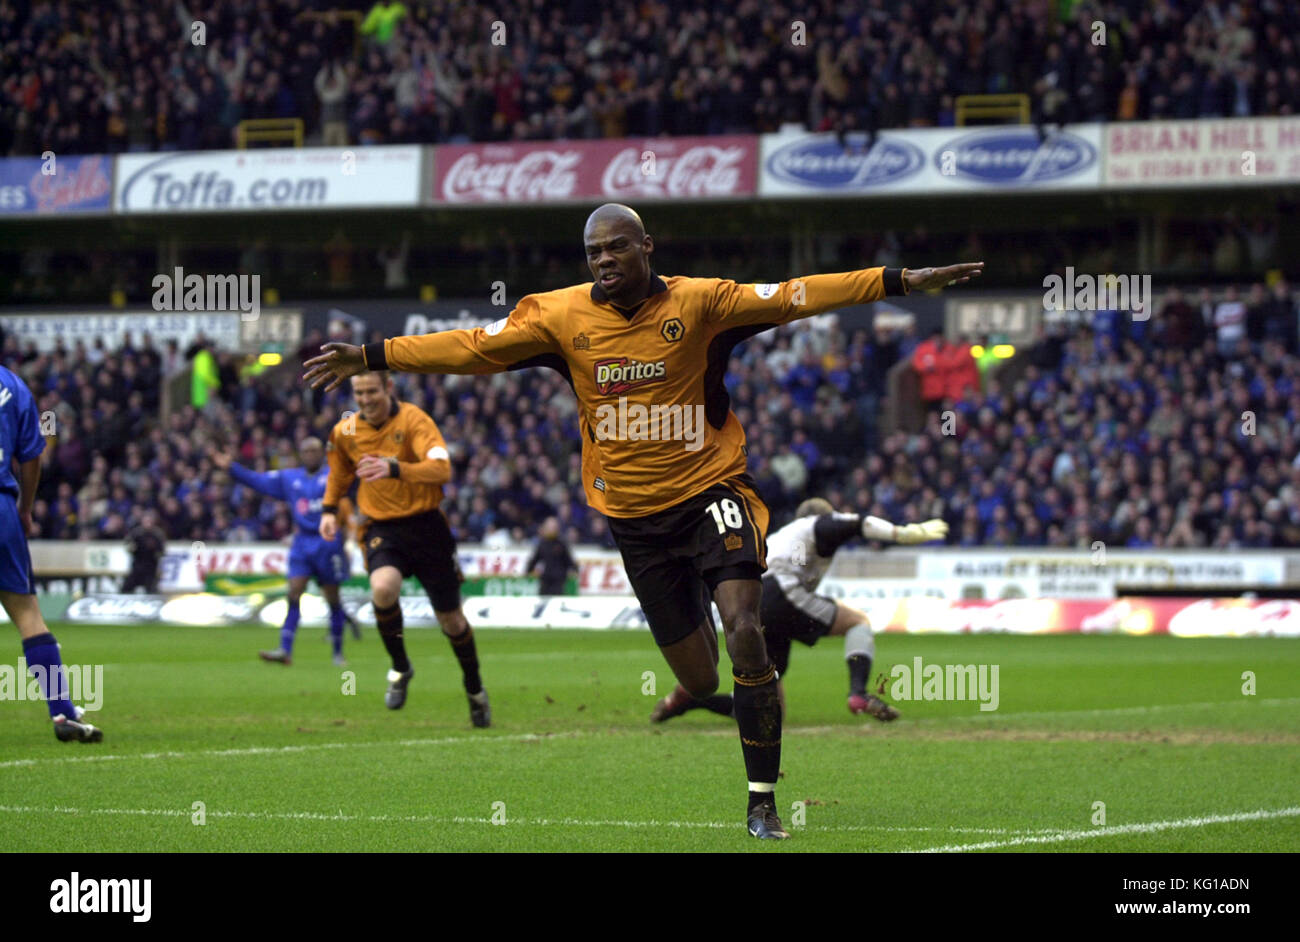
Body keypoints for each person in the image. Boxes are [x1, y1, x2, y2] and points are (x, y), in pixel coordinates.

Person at [304, 202, 981, 839]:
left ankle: (761, 801)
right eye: (594, 251)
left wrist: (898, 280)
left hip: (711, 490)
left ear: (646, 247)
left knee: (746, 631)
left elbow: (796, 294)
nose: (604, 259)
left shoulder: (702, 302)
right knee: (701, 679)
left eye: (617, 247)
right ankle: (704, 633)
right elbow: (470, 346)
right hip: (633, 518)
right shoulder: (557, 316)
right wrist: (372, 355)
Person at [650, 497, 948, 724]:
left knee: (769, 708)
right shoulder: (815, 524)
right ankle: (858, 693)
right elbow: (860, 523)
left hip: (754, 603)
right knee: (858, 622)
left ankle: (692, 701)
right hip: (780, 593)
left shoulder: (781, 536)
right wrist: (904, 533)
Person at [320, 372, 490, 727]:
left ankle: (474, 689)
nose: (365, 399)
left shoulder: (415, 421)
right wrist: (329, 510)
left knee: (452, 621)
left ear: (388, 388)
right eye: (359, 392)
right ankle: (400, 668)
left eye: (372, 391)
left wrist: (395, 468)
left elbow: (442, 469)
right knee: (382, 589)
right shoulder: (345, 430)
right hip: (382, 527)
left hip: (427, 528)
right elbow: (338, 472)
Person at [0, 364, 103, 742]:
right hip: (2, 511)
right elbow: (33, 455)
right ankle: (63, 712)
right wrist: (25, 508)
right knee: (28, 613)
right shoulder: (14, 386)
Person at [210, 438, 359, 667]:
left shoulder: (334, 475)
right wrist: (232, 468)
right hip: (302, 543)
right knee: (294, 592)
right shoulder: (290, 478)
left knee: (333, 598)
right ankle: (285, 649)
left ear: (322, 453)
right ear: (301, 454)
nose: (310, 454)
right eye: (306, 451)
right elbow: (258, 481)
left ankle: (337, 653)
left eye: (314, 451)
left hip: (327, 541)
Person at [527, 516, 577, 596]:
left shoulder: (561, 544)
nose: (552, 529)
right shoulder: (542, 544)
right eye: (550, 527)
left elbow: (569, 560)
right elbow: (535, 560)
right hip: (546, 579)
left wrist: (574, 570)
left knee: (558, 599)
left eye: (554, 527)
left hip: (559, 580)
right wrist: (528, 570)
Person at [121, 509, 167, 594]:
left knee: (151, 589)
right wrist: (132, 549)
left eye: (149, 521)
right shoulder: (136, 533)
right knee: (126, 588)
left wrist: (157, 554)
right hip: (137, 565)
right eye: (146, 521)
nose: (148, 523)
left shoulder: (157, 534)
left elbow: (162, 551)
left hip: (151, 567)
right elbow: (127, 544)